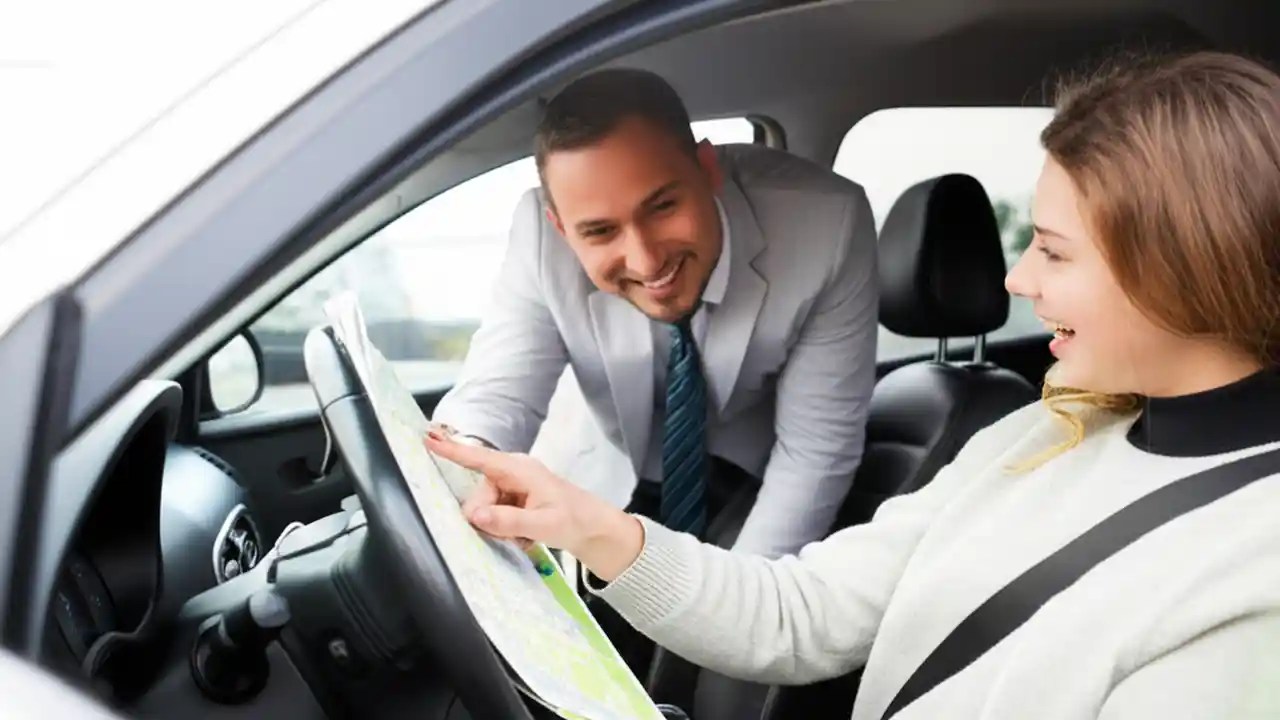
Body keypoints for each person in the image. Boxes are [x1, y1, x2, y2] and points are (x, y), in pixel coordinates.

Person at [427, 51, 1280, 719]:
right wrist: (586, 525)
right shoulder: (1030, 437)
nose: (1017, 281)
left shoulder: (1253, 589)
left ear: (1180, 265)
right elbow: (801, 613)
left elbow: (814, 456)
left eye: (1052, 250)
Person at [432, 68, 878, 559]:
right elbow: (497, 396)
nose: (646, 262)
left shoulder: (827, 226)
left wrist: (732, 615)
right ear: (560, 228)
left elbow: (816, 452)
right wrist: (469, 470)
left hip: (756, 481)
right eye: (600, 232)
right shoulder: (539, 238)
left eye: (662, 206)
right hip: (603, 478)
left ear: (707, 168)